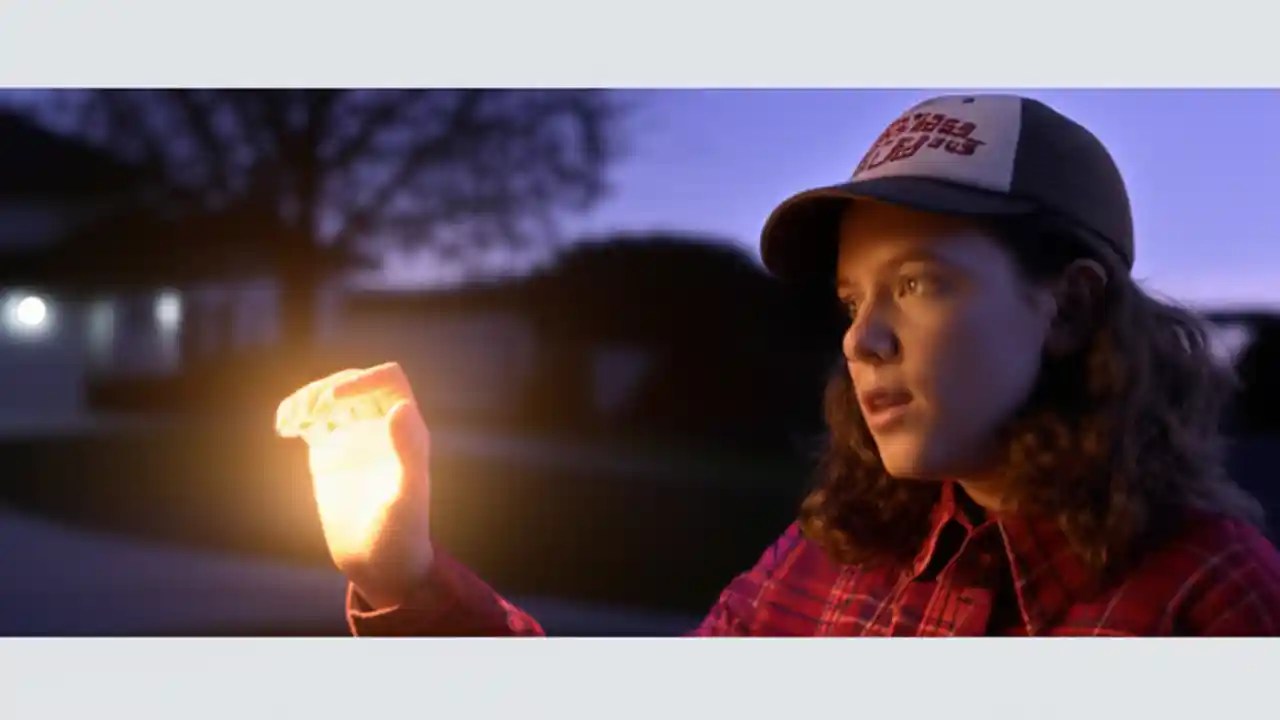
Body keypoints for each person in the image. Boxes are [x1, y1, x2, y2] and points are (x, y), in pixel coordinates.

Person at [276, 93, 1280, 636]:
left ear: (1066, 308)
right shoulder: (821, 561)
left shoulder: (1210, 603)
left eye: (920, 284)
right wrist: (403, 578)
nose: (859, 339)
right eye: (850, 300)